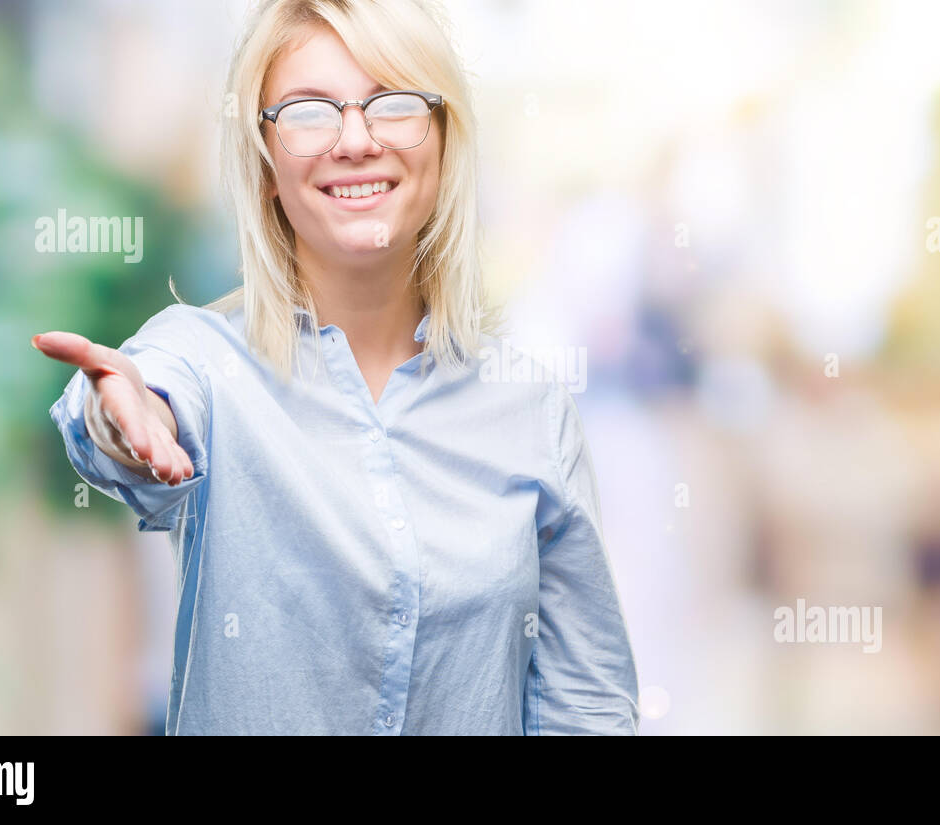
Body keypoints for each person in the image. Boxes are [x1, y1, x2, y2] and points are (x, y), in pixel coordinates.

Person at [31, 0, 638, 735]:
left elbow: (588, 705)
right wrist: (125, 418)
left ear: (443, 144)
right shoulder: (204, 363)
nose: (356, 139)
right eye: (310, 111)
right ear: (264, 166)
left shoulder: (530, 409)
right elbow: (137, 403)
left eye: (392, 103)